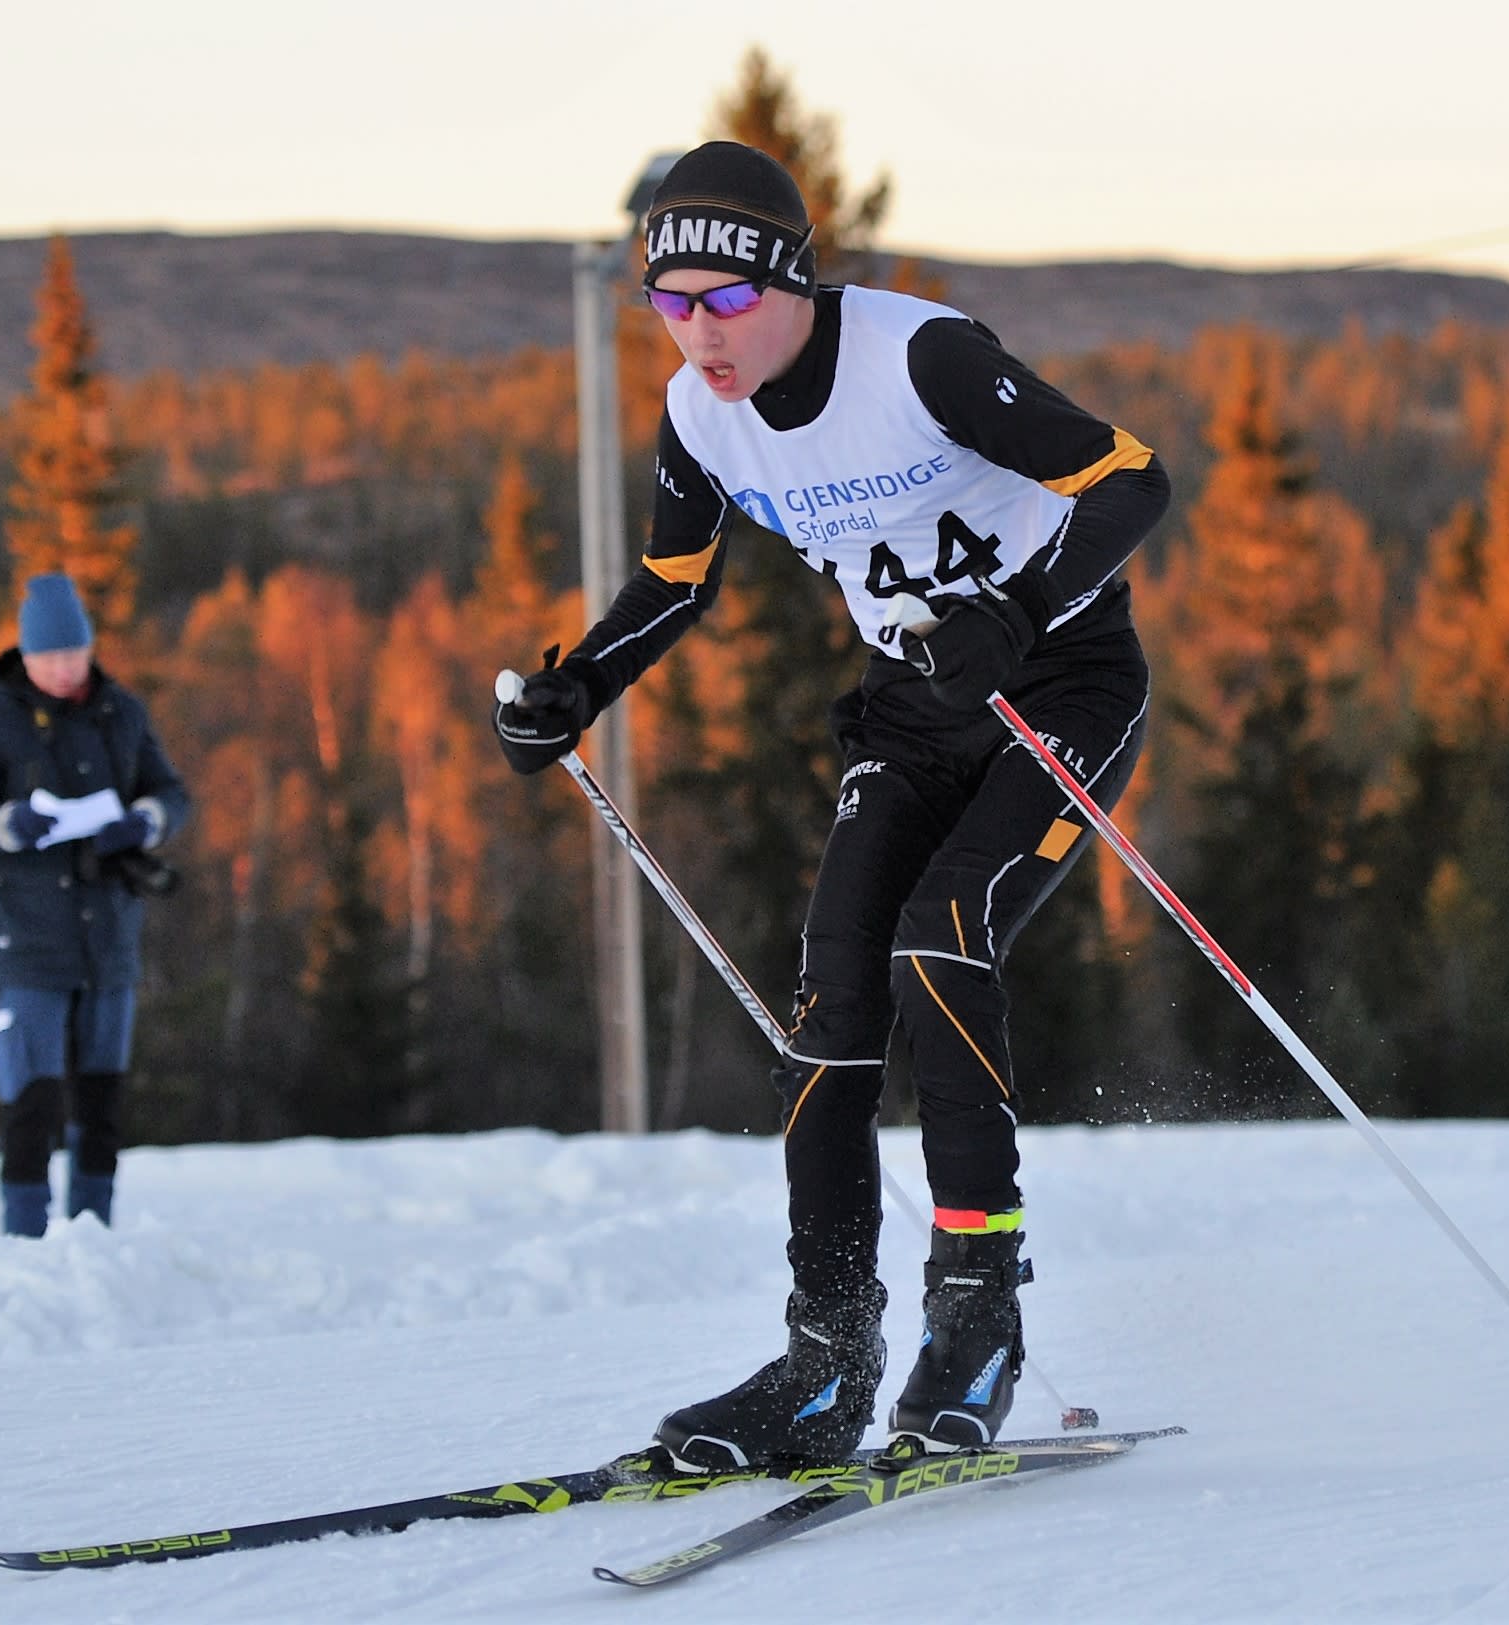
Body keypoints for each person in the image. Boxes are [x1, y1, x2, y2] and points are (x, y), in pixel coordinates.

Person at [493, 142, 1169, 1464]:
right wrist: (572, 689)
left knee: (941, 931)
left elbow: (1129, 476)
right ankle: (824, 1360)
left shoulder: (916, 357)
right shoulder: (699, 412)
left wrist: (1020, 609)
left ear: (793, 280)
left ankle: (974, 1320)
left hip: (1060, 682)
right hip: (912, 707)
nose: (700, 333)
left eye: (727, 299)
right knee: (832, 994)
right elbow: (677, 579)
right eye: (669, 304)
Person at [0, 572, 191, 1238]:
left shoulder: (121, 712)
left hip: (108, 940)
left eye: (73, 655)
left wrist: (145, 821)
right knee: (31, 1102)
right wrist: (5, 825)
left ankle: (93, 1236)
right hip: (27, 944)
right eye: (49, 658)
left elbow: (172, 792)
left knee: (100, 1102)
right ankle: (25, 1241)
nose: (64, 669)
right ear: (25, 654)